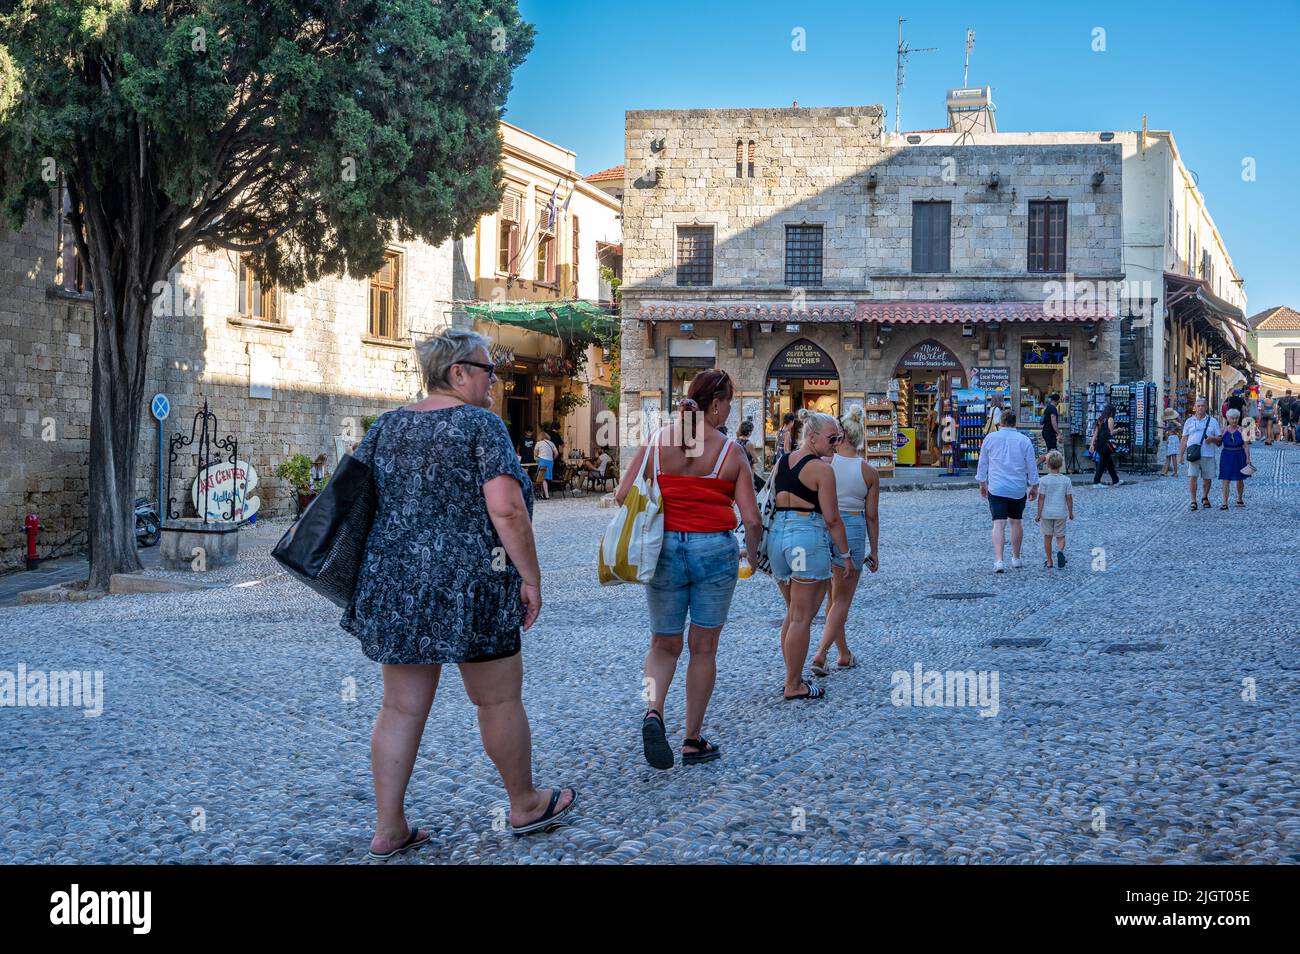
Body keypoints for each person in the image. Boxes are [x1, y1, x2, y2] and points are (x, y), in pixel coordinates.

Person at [345, 329, 575, 857]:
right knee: (497, 698)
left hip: (397, 583)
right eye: (488, 370)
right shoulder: (479, 427)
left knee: (400, 708)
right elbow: (507, 508)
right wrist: (532, 577)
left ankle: (389, 828)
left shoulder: (386, 426)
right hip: (474, 583)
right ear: (457, 373)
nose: (496, 380)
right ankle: (524, 803)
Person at [617, 370, 762, 769]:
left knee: (663, 644)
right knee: (703, 647)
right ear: (716, 403)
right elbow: (750, 519)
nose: (730, 409)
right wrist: (753, 556)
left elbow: (621, 494)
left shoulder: (656, 443)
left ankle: (653, 711)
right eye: (729, 401)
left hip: (663, 549)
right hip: (714, 550)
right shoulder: (730, 451)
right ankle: (692, 740)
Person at [769, 409, 854, 700]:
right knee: (802, 617)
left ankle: (791, 675)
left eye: (839, 438)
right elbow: (832, 519)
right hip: (805, 537)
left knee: (793, 614)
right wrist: (845, 553)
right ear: (813, 437)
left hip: (778, 539)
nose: (836, 442)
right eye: (832, 438)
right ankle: (794, 685)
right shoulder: (822, 470)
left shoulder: (781, 463)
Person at [809, 406, 879, 677]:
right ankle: (821, 653)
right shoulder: (869, 472)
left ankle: (843, 653)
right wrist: (875, 550)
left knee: (832, 597)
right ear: (860, 437)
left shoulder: (826, 463)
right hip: (852, 526)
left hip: (825, 525)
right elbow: (872, 517)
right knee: (842, 601)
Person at [977, 409, 1040, 573]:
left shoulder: (990, 438)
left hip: (997, 487)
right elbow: (1031, 465)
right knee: (1016, 522)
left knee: (998, 523)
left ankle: (999, 561)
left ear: (1000, 422)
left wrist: (982, 483)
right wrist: (1034, 485)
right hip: (1017, 488)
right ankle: (1016, 558)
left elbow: (982, 463)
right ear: (1015, 422)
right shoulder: (1024, 441)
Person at [1180, 396, 1222, 511]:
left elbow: (1219, 438)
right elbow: (1184, 439)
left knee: (1207, 479)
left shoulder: (1213, 421)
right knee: (1192, 478)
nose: (1200, 408)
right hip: (1193, 454)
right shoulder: (1189, 422)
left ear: (1206, 407)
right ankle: (1193, 500)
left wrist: (1212, 439)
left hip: (1208, 454)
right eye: (1198, 406)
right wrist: (1181, 455)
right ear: (1194, 408)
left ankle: (1204, 496)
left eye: (1202, 406)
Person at [1034, 450, 1073, 569]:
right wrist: (1070, 512)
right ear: (1061, 465)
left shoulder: (1044, 480)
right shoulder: (1066, 480)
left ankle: (1049, 560)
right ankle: (1060, 551)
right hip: (1061, 513)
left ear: (1048, 465)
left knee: (1047, 536)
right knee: (1060, 536)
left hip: (1047, 513)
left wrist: (1038, 514)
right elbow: (1069, 498)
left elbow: (1041, 498)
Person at [1218, 408, 1251, 509]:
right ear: (1228, 418)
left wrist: (1248, 458)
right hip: (1226, 455)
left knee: (1240, 479)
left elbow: (1246, 445)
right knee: (1225, 479)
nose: (1234, 420)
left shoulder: (1242, 430)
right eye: (1232, 418)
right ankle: (1224, 502)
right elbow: (1218, 443)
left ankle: (1239, 498)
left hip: (1239, 455)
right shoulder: (1223, 430)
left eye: (1236, 418)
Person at [1089, 405, 1121, 486]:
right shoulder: (1110, 419)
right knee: (1102, 464)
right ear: (1111, 412)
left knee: (1109, 463)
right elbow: (1111, 433)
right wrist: (1118, 430)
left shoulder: (1100, 419)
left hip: (1100, 444)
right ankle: (1096, 482)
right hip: (1106, 445)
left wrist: (1092, 444)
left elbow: (1095, 434)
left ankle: (1115, 480)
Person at [534, 431, 557, 500]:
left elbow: (535, 454)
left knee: (542, 478)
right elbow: (557, 453)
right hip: (550, 462)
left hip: (542, 461)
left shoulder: (538, 443)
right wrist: (552, 458)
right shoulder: (551, 443)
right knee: (545, 478)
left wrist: (539, 457)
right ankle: (541, 494)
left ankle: (546, 495)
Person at [1040, 391, 1061, 463]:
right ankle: (1037, 463)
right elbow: (1053, 422)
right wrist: (1058, 433)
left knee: (1051, 451)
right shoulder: (1053, 409)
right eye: (1059, 400)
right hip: (1049, 433)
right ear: (1057, 400)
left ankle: (1050, 467)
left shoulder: (1048, 407)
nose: (1059, 402)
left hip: (1046, 431)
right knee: (1052, 452)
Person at [1160, 408, 1181, 477]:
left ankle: (1175, 473)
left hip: (1173, 439)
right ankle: (1165, 472)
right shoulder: (1171, 421)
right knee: (1169, 456)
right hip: (1172, 438)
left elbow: (1179, 425)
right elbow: (1167, 428)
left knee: (1172, 456)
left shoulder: (1173, 421)